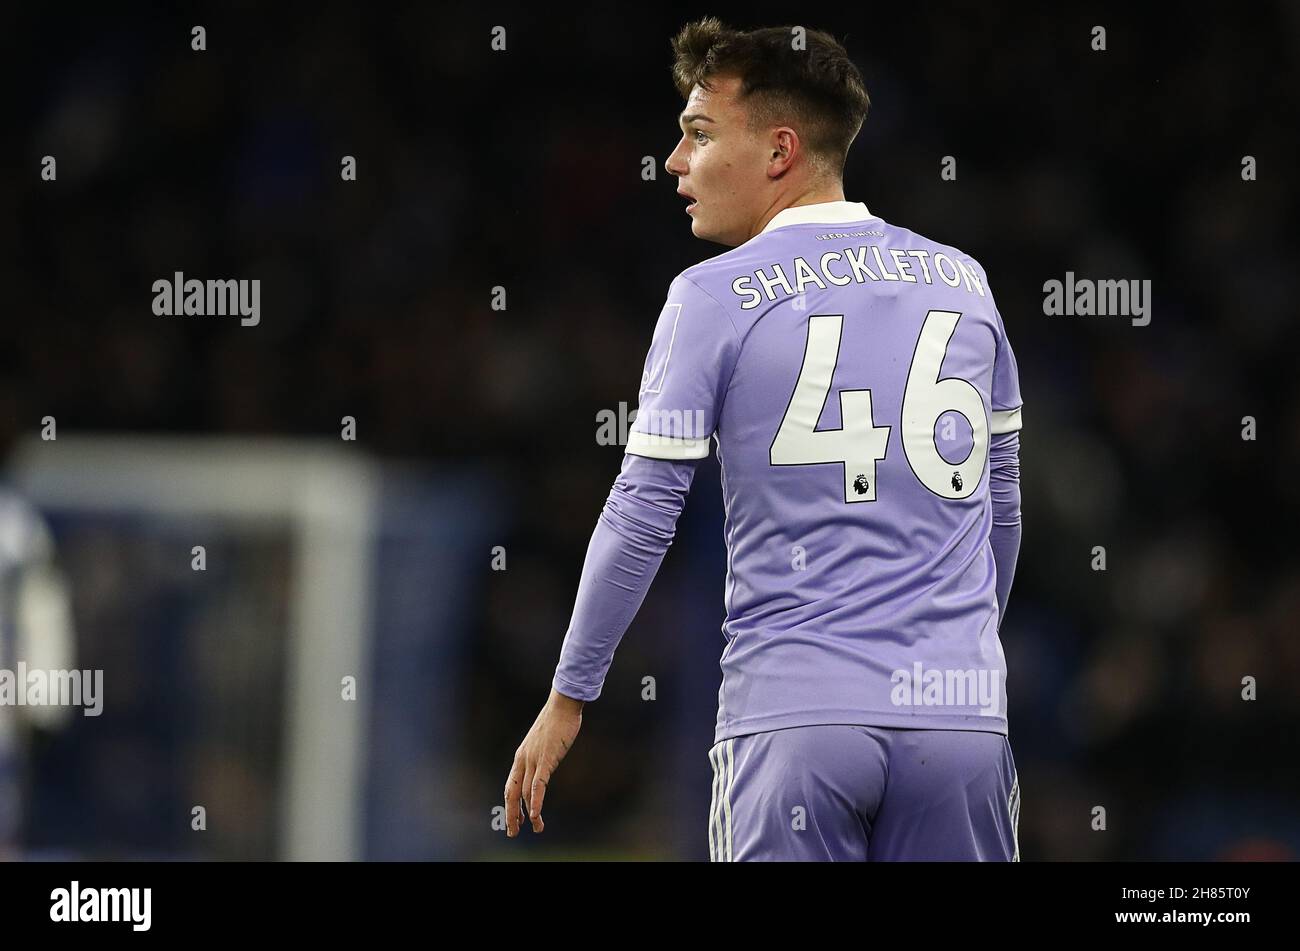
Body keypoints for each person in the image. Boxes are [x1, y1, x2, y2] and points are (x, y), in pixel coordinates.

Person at [504, 17, 1023, 861]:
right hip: (958, 725)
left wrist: (570, 695)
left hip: (795, 724)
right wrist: (960, 662)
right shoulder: (965, 281)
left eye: (699, 134)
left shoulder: (711, 296)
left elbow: (642, 511)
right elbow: (1001, 504)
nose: (675, 161)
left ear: (779, 151)